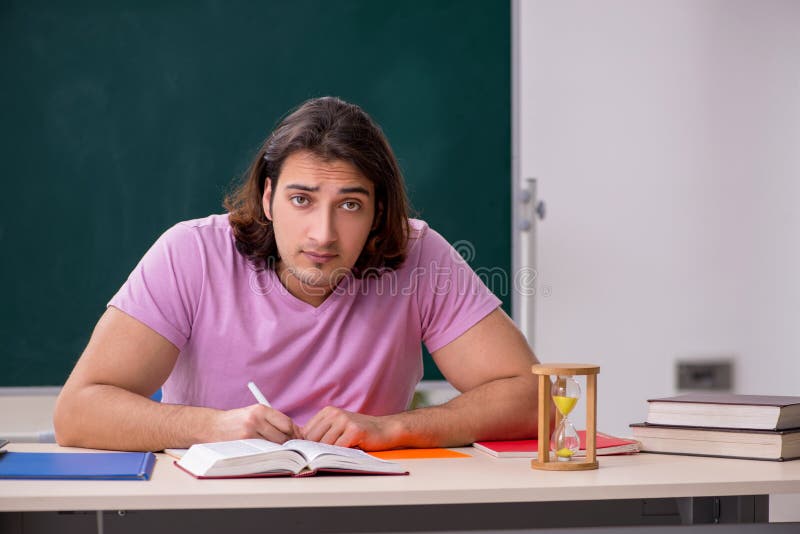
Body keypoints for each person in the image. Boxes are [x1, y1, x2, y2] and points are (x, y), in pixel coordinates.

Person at [54, 96, 540, 452]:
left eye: (350, 204)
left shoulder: (419, 254)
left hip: (370, 513)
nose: (322, 234)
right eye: (301, 199)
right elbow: (77, 414)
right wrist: (213, 426)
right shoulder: (191, 252)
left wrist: (395, 427)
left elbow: (532, 395)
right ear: (267, 199)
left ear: (378, 212)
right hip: (212, 514)